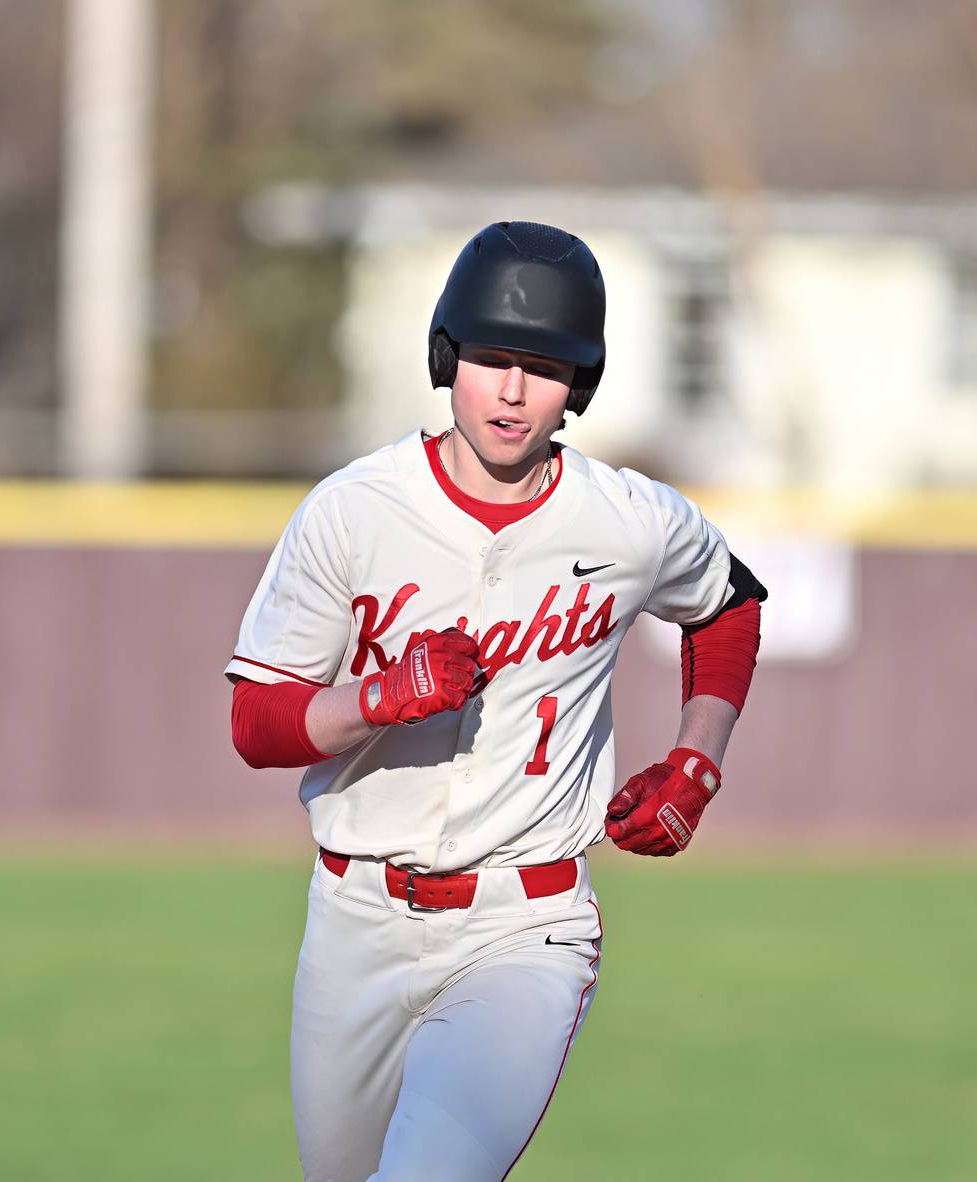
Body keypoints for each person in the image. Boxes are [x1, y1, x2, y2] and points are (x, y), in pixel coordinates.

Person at [224, 220, 767, 1182]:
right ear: (448, 356)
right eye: (491, 358)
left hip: (526, 923)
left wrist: (698, 759)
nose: (514, 391)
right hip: (356, 917)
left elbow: (728, 606)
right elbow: (257, 724)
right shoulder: (356, 509)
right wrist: (376, 698)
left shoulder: (628, 520)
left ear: (580, 384)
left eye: (544, 366)